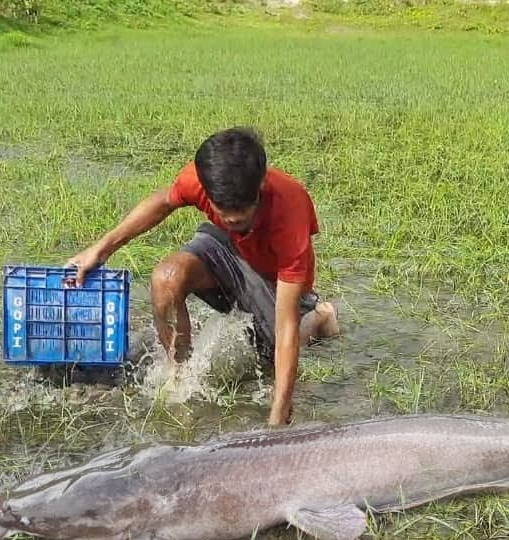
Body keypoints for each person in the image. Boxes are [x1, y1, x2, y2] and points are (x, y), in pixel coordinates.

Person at [63, 127, 340, 426]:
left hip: (271, 276)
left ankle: (319, 317)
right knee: (166, 278)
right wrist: (101, 249)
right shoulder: (203, 176)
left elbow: (285, 326)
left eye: (242, 217)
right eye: (224, 214)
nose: (233, 221)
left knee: (274, 350)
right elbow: (163, 202)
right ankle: (179, 379)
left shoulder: (290, 208)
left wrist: (278, 415)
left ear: (260, 184)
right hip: (224, 249)